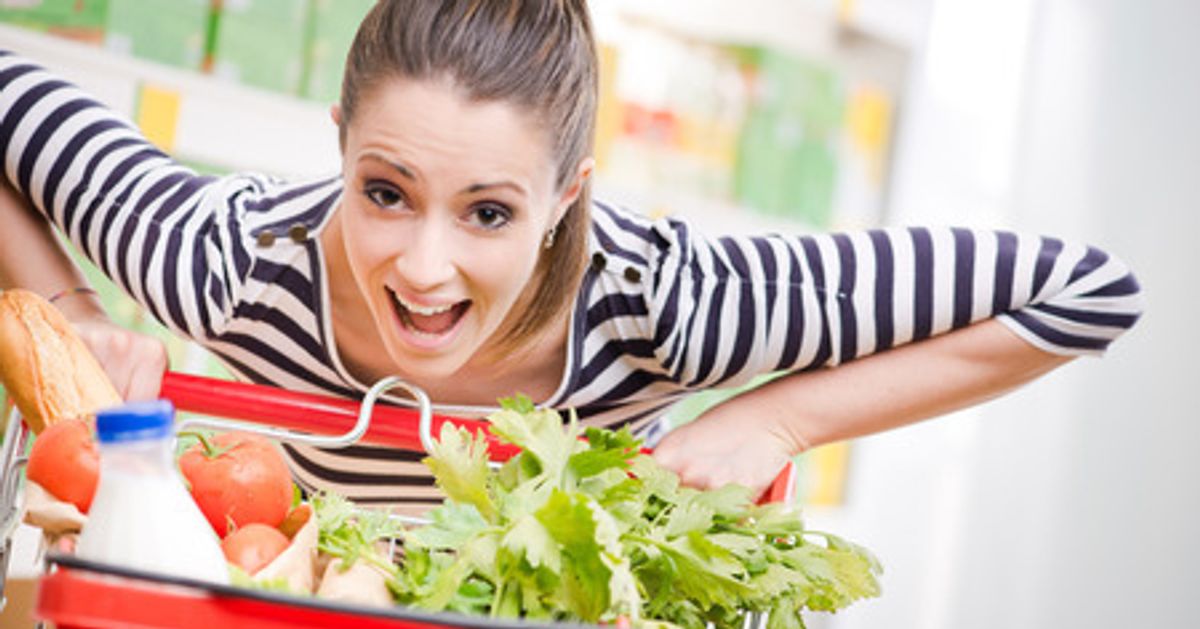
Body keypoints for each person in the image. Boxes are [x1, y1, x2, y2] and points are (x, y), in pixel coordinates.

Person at [0, 0, 1143, 512]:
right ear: (339, 144)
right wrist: (65, 309)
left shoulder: (672, 304)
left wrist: (780, 422)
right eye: (386, 192)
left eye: (489, 212)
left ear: (567, 196)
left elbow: (1084, 289)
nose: (425, 267)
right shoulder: (232, 262)